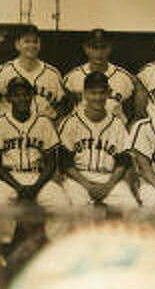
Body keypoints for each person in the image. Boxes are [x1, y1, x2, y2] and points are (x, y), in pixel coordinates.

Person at [0, 77, 65, 242]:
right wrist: (18, 187)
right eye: (17, 95)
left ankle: (54, 248)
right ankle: (3, 248)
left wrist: (36, 186)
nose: (22, 98)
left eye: (26, 94)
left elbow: (51, 162)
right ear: (9, 98)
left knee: (61, 204)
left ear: (32, 96)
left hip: (38, 177)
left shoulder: (43, 122)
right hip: (7, 177)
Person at [57, 70, 138, 208]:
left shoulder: (117, 124)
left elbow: (123, 162)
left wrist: (108, 186)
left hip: (109, 178)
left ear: (108, 93)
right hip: (78, 178)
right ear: (85, 94)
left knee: (131, 206)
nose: (98, 97)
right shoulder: (71, 123)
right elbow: (65, 163)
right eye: (93, 93)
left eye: (101, 92)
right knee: (73, 205)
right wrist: (87, 185)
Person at [0, 24, 67, 119]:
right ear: (17, 45)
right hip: (11, 129)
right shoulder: (3, 71)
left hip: (43, 130)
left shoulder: (52, 73)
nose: (32, 45)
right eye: (27, 41)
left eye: (35, 41)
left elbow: (63, 106)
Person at [61, 28, 138, 122]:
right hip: (81, 131)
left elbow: (133, 113)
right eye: (94, 48)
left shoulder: (124, 77)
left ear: (109, 48)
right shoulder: (72, 77)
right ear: (86, 49)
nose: (99, 52)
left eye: (103, 47)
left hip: (115, 131)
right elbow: (64, 111)